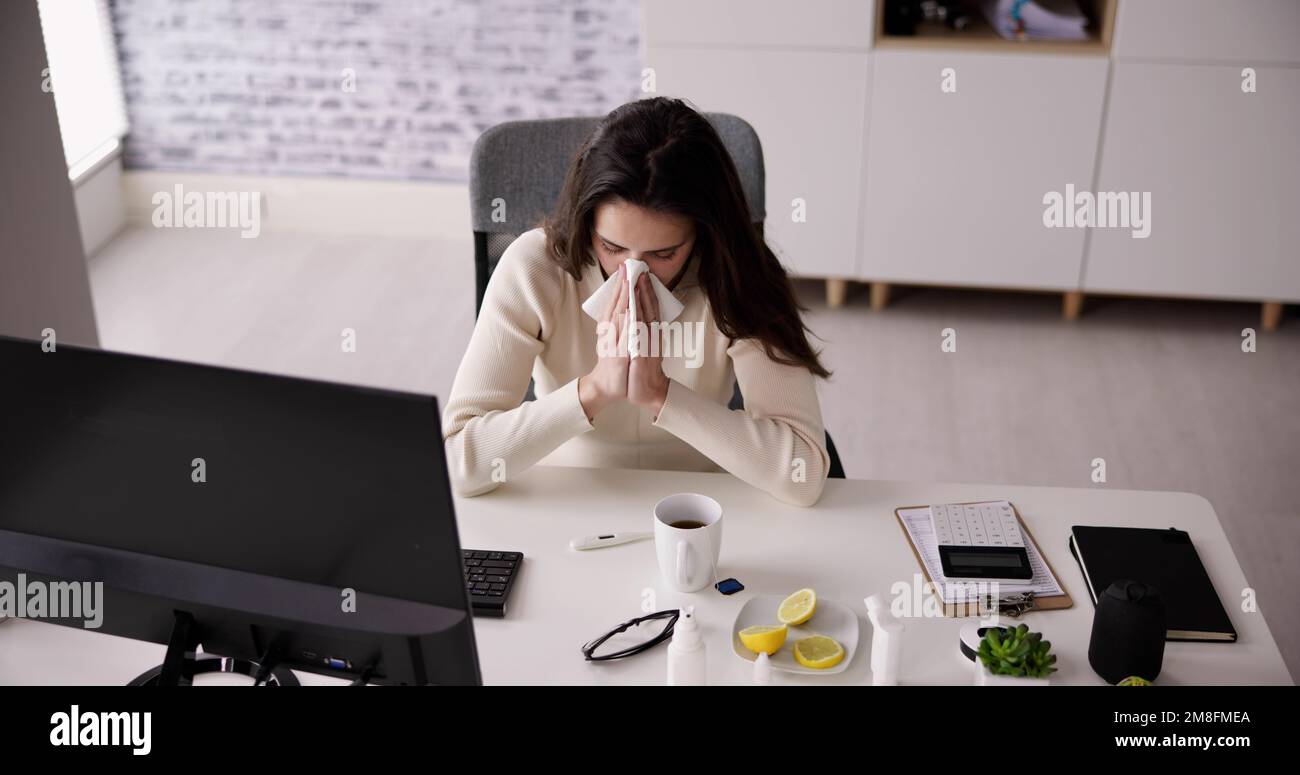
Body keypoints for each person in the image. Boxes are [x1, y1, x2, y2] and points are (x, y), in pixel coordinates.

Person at [443, 97, 831, 506]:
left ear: (703, 234)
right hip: (565, 498)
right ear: (586, 220)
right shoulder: (535, 267)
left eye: (663, 254)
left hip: (701, 504)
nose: (633, 275)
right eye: (612, 246)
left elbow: (802, 474)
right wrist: (593, 390)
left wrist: (661, 395)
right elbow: (457, 462)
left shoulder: (739, 273)